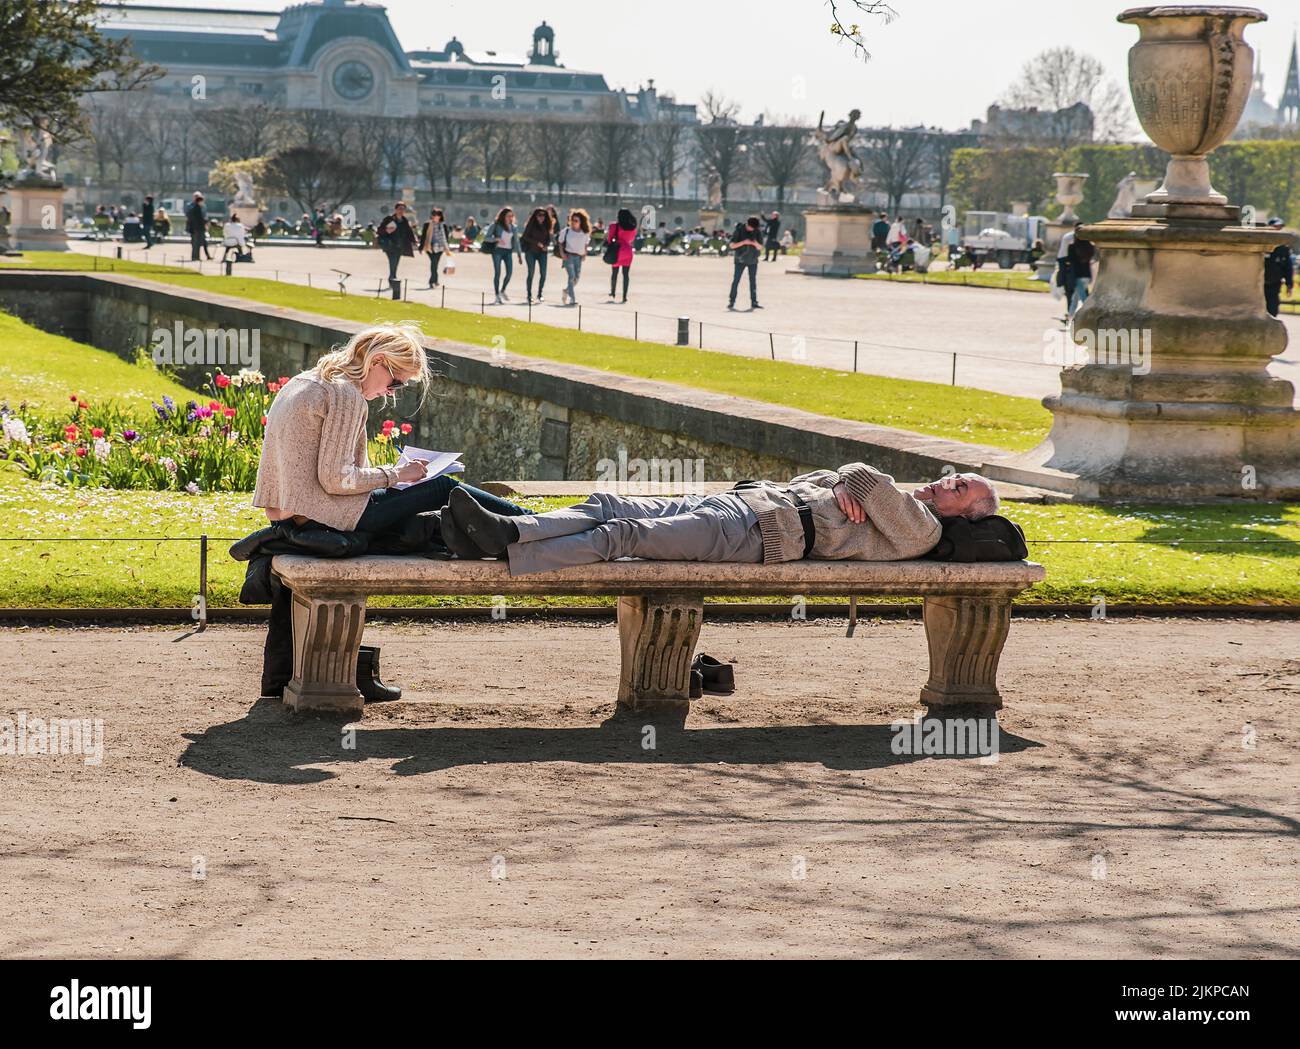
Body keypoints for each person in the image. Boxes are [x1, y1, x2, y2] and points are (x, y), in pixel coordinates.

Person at [242, 324, 530, 700]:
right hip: (327, 515)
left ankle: (355, 671)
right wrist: (397, 475)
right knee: (443, 487)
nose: (390, 394)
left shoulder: (308, 380)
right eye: (395, 382)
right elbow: (336, 479)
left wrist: (388, 482)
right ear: (377, 360)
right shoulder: (346, 394)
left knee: (420, 524)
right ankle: (531, 523)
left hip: (292, 516)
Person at [444, 466, 999, 577]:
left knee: (624, 537)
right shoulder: (896, 503)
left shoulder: (920, 530)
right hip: (743, 504)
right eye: (955, 476)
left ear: (963, 514)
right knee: (608, 504)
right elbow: (830, 473)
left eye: (960, 488)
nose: (947, 481)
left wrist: (848, 479)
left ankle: (514, 556)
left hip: (761, 537)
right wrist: (839, 481)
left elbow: (860, 472)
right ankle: (509, 531)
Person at [483, 206, 523, 304]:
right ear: (503, 216)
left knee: (509, 273)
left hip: (508, 252)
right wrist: (496, 239)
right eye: (508, 216)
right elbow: (486, 238)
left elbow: (517, 242)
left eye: (511, 216)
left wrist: (519, 255)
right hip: (497, 251)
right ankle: (497, 295)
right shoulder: (496, 225)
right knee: (497, 273)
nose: (510, 218)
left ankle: (502, 290)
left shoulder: (514, 227)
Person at [377, 201, 418, 291]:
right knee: (393, 261)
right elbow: (380, 230)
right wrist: (387, 229)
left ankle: (393, 277)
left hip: (399, 245)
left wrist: (414, 240)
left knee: (396, 263)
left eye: (403, 209)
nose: (401, 211)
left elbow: (408, 232)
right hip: (390, 245)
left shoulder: (404, 220)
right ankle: (392, 278)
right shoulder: (389, 219)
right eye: (399, 209)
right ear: (395, 209)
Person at [727, 215, 764, 311]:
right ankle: (732, 301)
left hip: (753, 260)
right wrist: (743, 242)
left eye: (754, 228)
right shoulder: (739, 230)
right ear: (747, 224)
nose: (752, 230)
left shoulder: (757, 231)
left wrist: (754, 243)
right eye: (751, 228)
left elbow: (760, 247)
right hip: (740, 259)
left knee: (753, 282)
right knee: (736, 280)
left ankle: (754, 302)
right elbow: (731, 245)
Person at [558, 208, 591, 306]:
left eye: (576, 221)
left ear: (581, 222)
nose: (573, 222)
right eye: (572, 220)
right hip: (569, 256)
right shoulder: (566, 231)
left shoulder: (585, 233)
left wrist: (585, 254)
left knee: (577, 278)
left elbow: (585, 244)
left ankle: (566, 291)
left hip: (579, 257)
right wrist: (562, 254)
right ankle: (572, 299)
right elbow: (560, 242)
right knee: (571, 277)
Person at [521, 206, 553, 304]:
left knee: (543, 273)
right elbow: (525, 237)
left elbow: (548, 238)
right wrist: (537, 243)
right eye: (539, 215)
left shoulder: (547, 225)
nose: (541, 217)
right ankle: (529, 295)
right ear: (535, 216)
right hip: (531, 251)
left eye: (543, 215)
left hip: (542, 252)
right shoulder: (531, 225)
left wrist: (546, 245)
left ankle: (540, 294)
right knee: (531, 273)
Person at [1264, 218, 1294, 318]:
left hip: (1275, 284)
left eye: (1279, 227)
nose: (1277, 229)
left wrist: (1289, 284)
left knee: (1273, 309)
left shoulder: (1283, 249)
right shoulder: (1262, 245)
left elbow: (1288, 268)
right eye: (1275, 227)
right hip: (1260, 284)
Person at [606, 208, 637, 302]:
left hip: (617, 251)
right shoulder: (632, 227)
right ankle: (624, 296)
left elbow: (609, 239)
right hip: (628, 251)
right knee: (626, 274)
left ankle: (613, 291)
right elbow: (631, 239)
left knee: (614, 273)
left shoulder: (614, 226)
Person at [1066, 229, 1095, 318]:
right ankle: (1070, 315)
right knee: (1075, 297)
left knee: (1083, 297)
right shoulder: (1090, 247)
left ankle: (1091, 313)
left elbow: (1070, 260)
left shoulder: (1072, 247)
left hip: (1077, 274)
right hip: (1086, 274)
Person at [419, 206, 449, 288]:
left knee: (435, 264)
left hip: (440, 248)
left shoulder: (443, 225)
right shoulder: (427, 224)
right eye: (434, 215)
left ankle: (434, 280)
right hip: (430, 246)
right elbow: (423, 236)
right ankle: (432, 281)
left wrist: (447, 249)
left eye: (438, 215)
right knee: (434, 263)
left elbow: (445, 237)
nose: (436, 217)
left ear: (440, 216)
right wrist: (421, 247)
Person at [185, 191, 212, 261]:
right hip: (198, 228)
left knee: (197, 243)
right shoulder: (196, 208)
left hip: (196, 228)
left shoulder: (197, 208)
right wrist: (205, 222)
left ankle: (196, 256)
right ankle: (195, 257)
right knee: (196, 243)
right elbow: (199, 218)